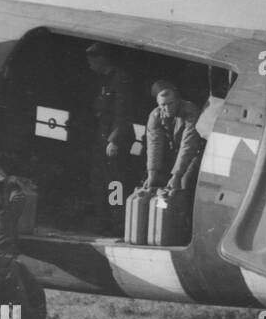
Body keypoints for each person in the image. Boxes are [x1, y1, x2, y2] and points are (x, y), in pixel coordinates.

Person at [86, 42, 143, 235]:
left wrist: (115, 140)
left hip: (114, 141)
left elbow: (123, 113)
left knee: (115, 184)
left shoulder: (120, 80)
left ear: (102, 59)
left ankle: (118, 223)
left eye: (92, 61)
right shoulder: (103, 80)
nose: (89, 66)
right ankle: (103, 222)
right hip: (102, 138)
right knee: (99, 182)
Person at [144, 80, 204, 191]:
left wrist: (177, 175)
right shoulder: (155, 116)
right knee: (151, 181)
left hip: (193, 154)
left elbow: (188, 144)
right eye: (163, 105)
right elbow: (154, 145)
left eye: (170, 103)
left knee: (185, 181)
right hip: (174, 155)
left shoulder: (190, 111)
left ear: (177, 100)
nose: (167, 108)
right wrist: (152, 173)